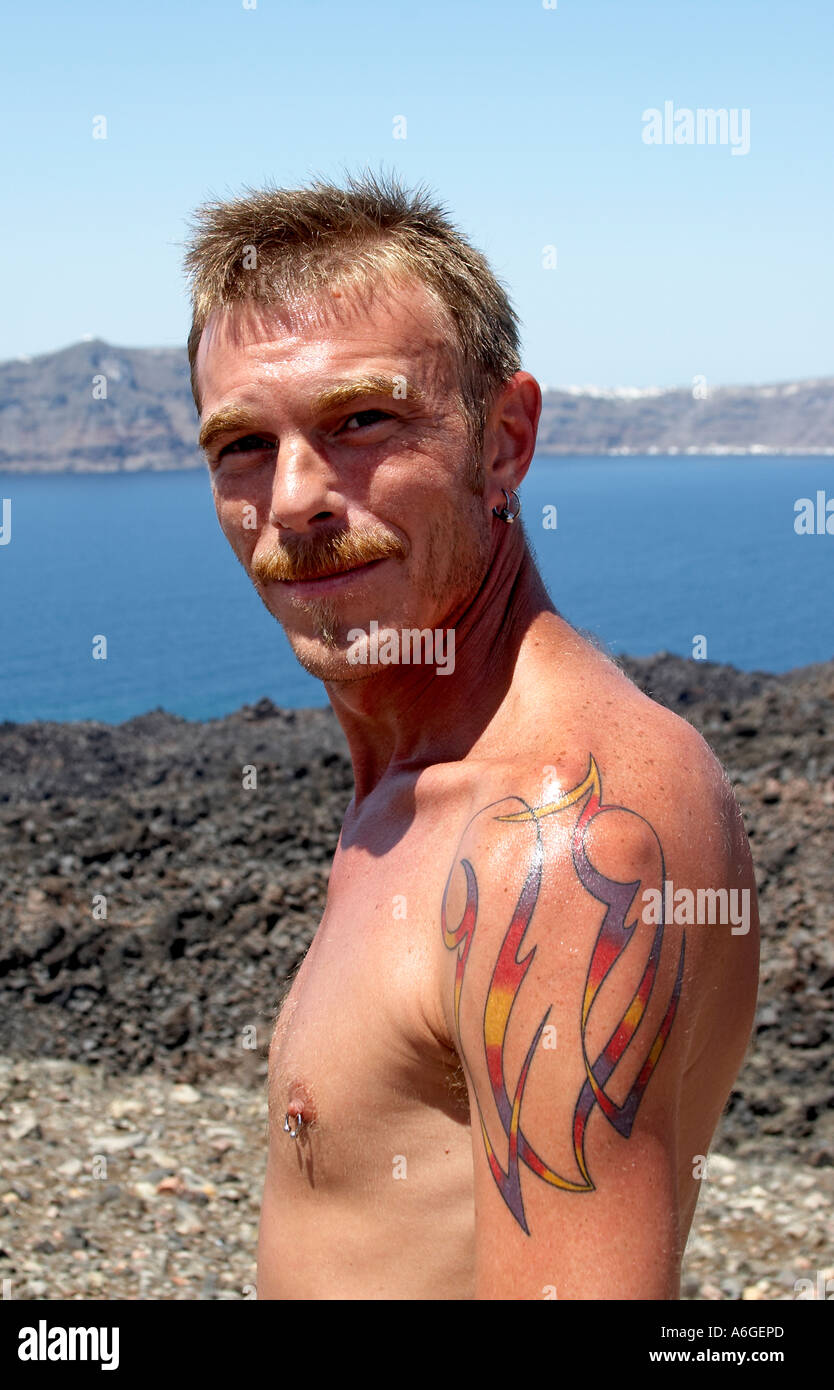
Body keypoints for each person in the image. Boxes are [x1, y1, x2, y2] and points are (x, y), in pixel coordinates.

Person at [182, 172, 760, 1300]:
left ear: (502, 441)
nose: (294, 497)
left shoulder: (555, 838)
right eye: (242, 443)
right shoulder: (423, 773)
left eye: (361, 421)